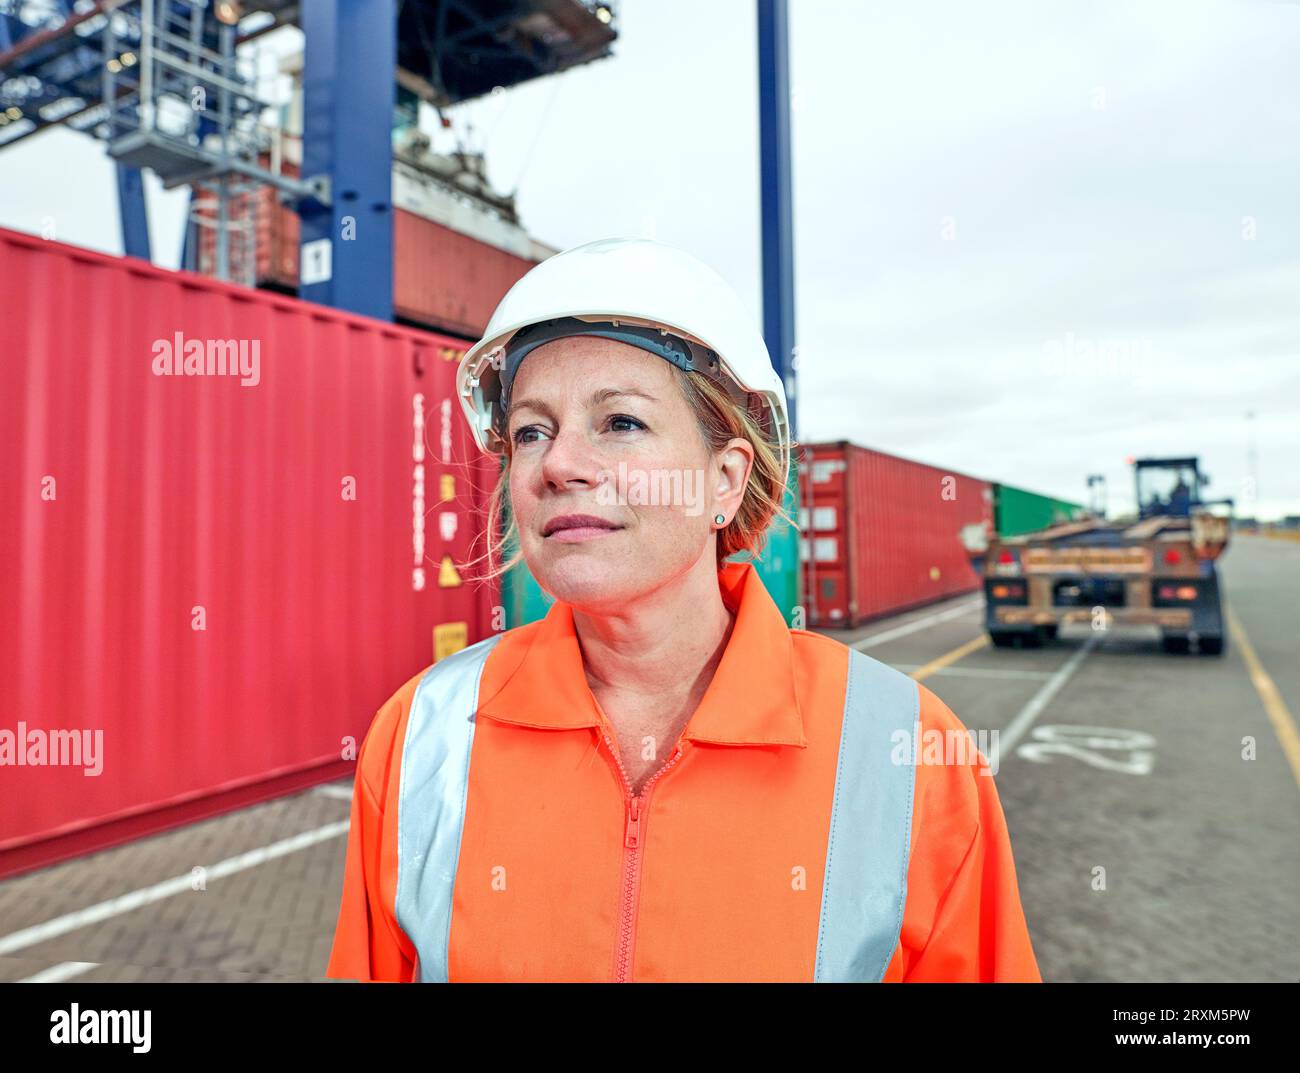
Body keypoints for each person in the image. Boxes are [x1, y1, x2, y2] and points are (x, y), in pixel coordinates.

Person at [325, 237, 1041, 983]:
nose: (560, 463)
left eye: (620, 423)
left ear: (724, 481)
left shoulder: (907, 749)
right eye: (532, 431)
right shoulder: (422, 735)